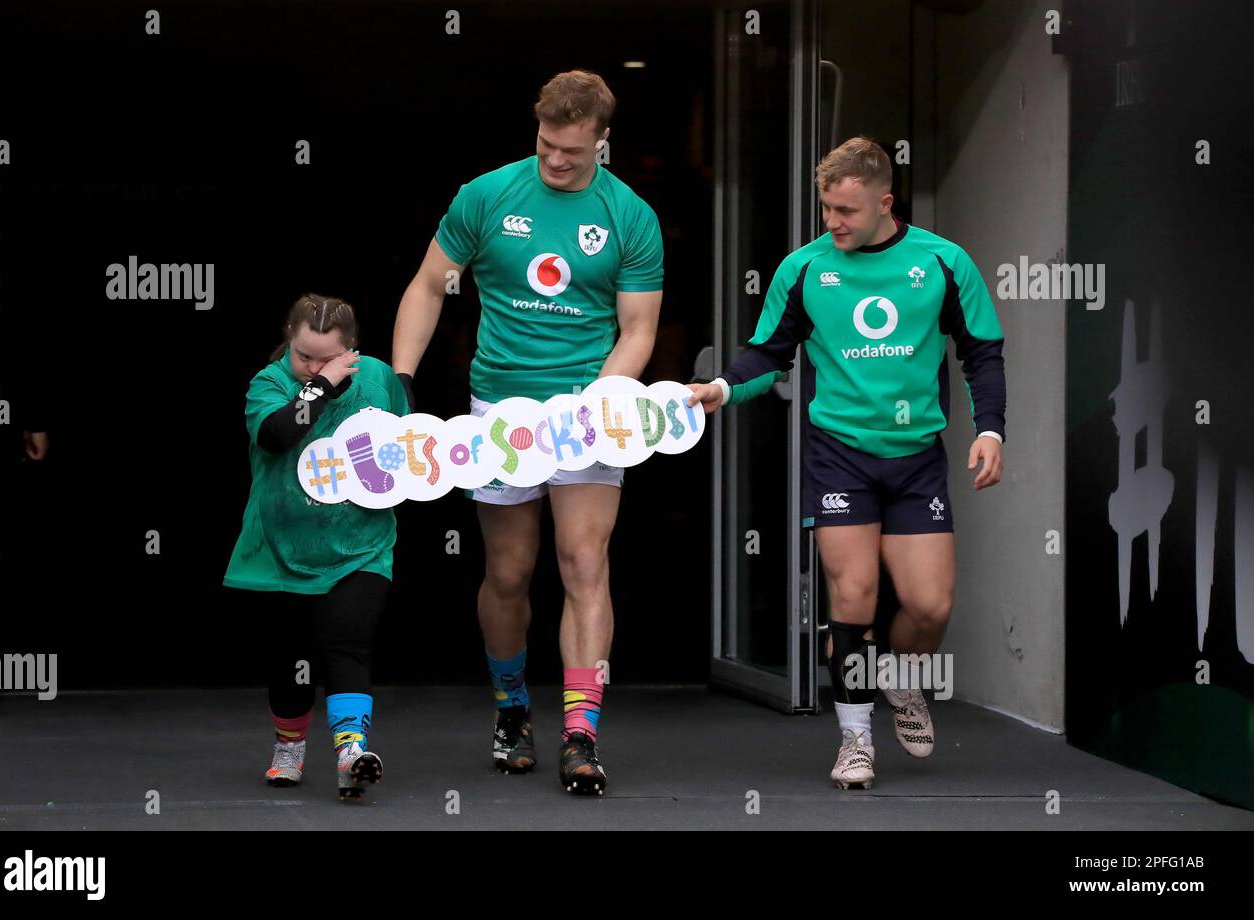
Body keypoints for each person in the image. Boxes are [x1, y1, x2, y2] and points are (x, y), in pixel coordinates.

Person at [687, 137, 1006, 790]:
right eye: (826, 207)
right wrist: (721, 389)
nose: (832, 222)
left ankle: (901, 677)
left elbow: (983, 353)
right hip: (838, 457)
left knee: (929, 605)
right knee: (852, 600)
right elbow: (767, 355)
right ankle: (856, 742)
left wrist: (992, 431)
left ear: (885, 202)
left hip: (916, 459)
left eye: (846, 210)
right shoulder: (804, 269)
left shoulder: (943, 263)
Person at [391, 70, 664, 794]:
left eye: (573, 151)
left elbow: (638, 330)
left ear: (603, 141)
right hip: (500, 412)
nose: (557, 161)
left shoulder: (630, 215)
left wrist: (599, 402)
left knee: (584, 564)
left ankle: (581, 732)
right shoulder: (487, 194)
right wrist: (400, 380)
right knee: (509, 572)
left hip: (584, 411)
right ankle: (512, 709)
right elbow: (427, 284)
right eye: (547, 145)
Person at [224, 293, 411, 800]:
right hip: (282, 548)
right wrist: (321, 384)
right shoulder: (269, 383)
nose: (310, 364)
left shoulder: (377, 379)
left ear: (351, 349)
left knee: (347, 642)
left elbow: (404, 445)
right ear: (289, 336)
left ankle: (351, 753)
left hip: (359, 544)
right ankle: (289, 747)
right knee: (289, 658)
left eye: (324, 357)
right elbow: (278, 434)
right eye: (302, 353)